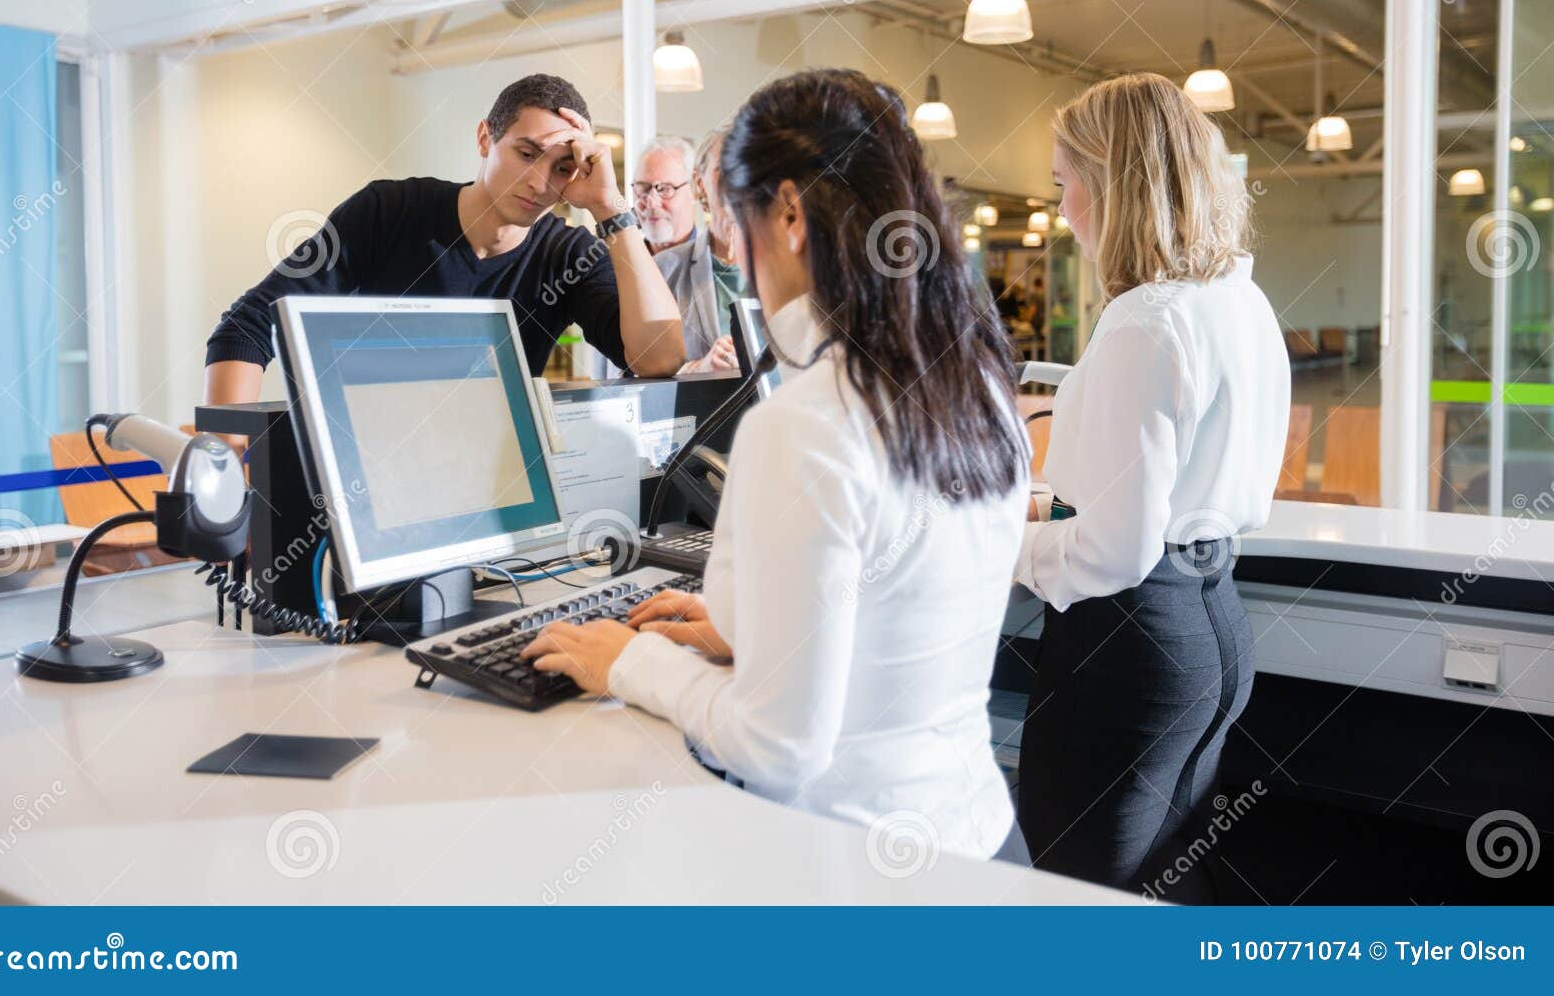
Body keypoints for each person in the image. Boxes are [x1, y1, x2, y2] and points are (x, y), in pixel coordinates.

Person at [521, 69, 1032, 860]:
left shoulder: (806, 423)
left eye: (739, 223)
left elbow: (776, 746)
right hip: (982, 842)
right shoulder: (979, 388)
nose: (735, 251)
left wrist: (633, 661)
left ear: (789, 212)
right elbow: (898, 611)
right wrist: (749, 633)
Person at [1012, 72, 1290, 895]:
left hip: (1125, 644)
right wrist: (1045, 510)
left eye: (1065, 186)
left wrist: (990, 538)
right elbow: (1154, 496)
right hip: (1211, 627)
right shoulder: (1237, 299)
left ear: (1111, 182)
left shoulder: (1143, 320)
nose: (1062, 212)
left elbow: (1111, 552)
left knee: (1081, 889)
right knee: (1163, 883)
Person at [203, 74, 685, 410]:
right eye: (525, 153)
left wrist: (610, 209)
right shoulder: (389, 212)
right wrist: (231, 475)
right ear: (484, 138)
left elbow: (659, 358)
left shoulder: (569, 255)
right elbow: (247, 326)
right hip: (359, 478)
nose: (540, 182)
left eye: (560, 167)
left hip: (491, 490)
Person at [634, 134, 741, 373]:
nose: (651, 202)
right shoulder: (656, 269)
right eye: (643, 188)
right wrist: (700, 367)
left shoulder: (788, 263)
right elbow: (625, 371)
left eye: (665, 189)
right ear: (699, 184)